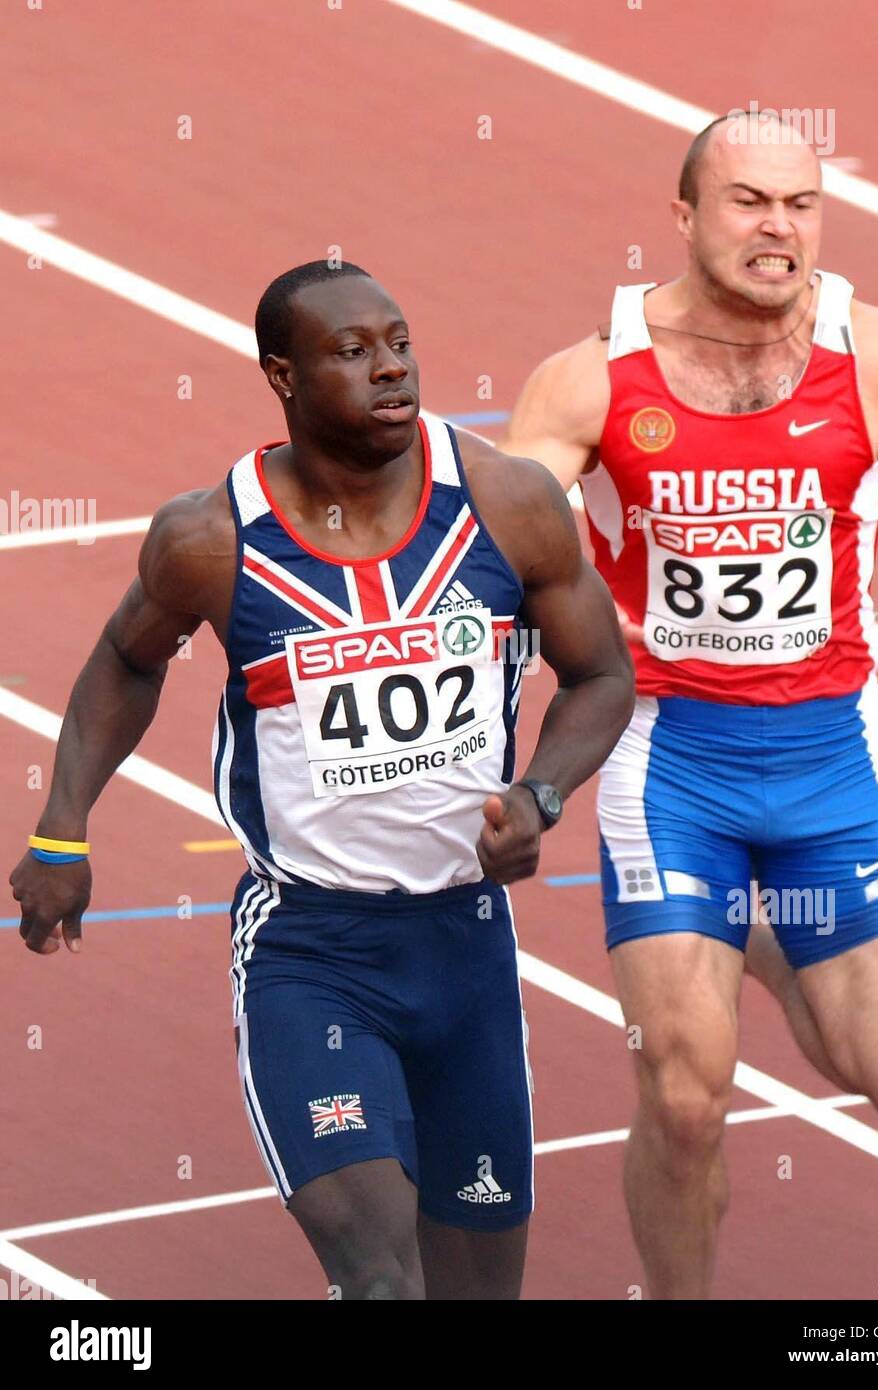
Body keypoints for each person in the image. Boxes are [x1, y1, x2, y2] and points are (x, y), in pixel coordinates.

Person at [10, 261, 634, 1301]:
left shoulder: (506, 502)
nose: (390, 369)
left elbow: (601, 675)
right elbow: (127, 657)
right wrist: (64, 828)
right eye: (353, 353)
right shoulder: (212, 539)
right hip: (311, 955)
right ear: (283, 376)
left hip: (466, 951)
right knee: (382, 1281)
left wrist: (540, 795)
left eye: (398, 342)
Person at [501, 111, 878, 1299]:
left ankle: (757, 944)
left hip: (831, 753)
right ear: (684, 214)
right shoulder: (591, 377)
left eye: (800, 204)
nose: (778, 229)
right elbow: (500, 556)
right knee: (683, 1093)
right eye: (748, 202)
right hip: (670, 760)